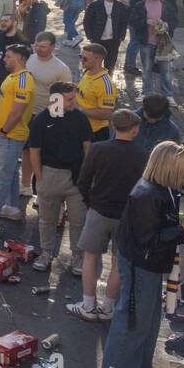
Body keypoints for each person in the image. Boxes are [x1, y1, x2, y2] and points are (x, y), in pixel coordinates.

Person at [99, 141, 184, 368]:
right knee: (131, 323)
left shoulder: (163, 190)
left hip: (148, 264)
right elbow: (147, 239)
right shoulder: (148, 195)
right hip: (142, 266)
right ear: (171, 168)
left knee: (148, 322)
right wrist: (182, 230)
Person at [69, 108, 145, 318]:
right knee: (117, 262)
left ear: (112, 126)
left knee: (90, 258)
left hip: (99, 210)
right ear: (135, 130)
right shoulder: (143, 154)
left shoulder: (99, 149)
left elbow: (83, 180)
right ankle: (108, 307)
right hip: (126, 215)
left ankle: (88, 305)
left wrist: (90, 201)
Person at [0, 43, 35, 227]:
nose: (4, 58)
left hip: (11, 134)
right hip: (7, 132)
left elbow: (18, 112)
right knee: (9, 172)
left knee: (2, 176)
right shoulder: (13, 77)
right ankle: (12, 207)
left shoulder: (24, 80)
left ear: (20, 59)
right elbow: (9, 102)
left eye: (8, 56)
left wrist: (3, 131)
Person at [74, 42, 118, 142]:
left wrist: (79, 110)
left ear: (98, 59)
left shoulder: (106, 85)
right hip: (82, 127)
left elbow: (106, 113)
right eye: (81, 57)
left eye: (85, 59)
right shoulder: (88, 72)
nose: (81, 61)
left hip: (95, 133)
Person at [82, 0, 128, 74]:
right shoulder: (95, 5)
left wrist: (121, 36)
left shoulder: (120, 6)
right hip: (98, 39)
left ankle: (108, 83)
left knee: (110, 65)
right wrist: (90, 36)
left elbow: (124, 22)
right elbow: (87, 21)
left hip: (114, 40)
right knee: (93, 63)